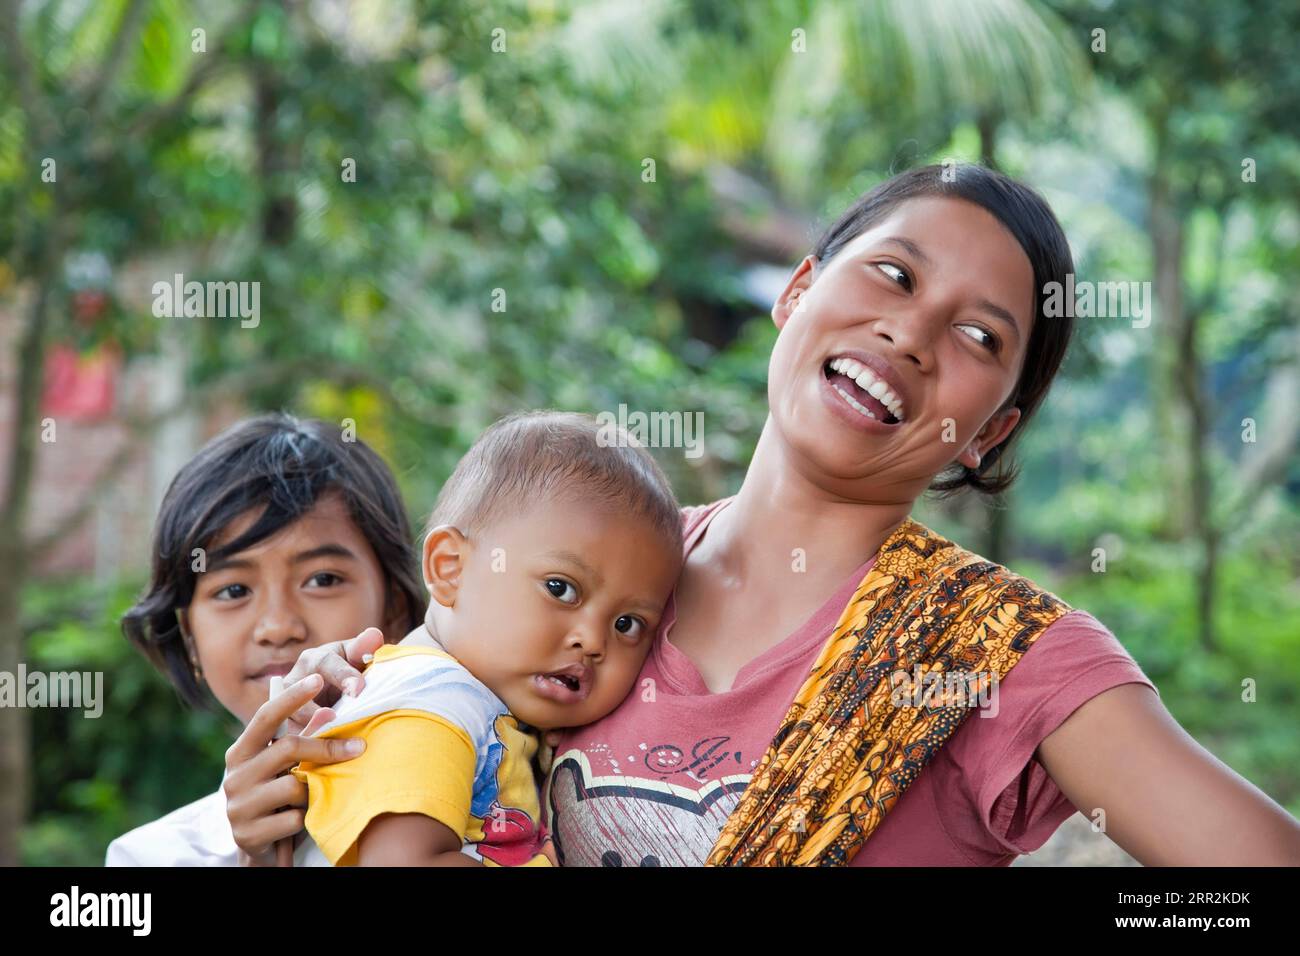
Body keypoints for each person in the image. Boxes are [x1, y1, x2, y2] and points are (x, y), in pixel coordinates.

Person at [228, 163, 1300, 866]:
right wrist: (285, 802)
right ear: (796, 292)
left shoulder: (1003, 654)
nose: (910, 333)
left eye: (977, 336)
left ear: (987, 433)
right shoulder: (597, 578)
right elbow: (440, 762)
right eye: (889, 273)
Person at [289, 411, 683, 865]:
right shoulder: (428, 705)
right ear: (450, 568)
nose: (593, 640)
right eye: (561, 588)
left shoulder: (476, 706)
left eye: (627, 624)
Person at [105, 413, 425, 866]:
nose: (277, 626)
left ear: (393, 608)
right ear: (190, 639)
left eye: (322, 579)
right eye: (233, 590)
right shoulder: (149, 858)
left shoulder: (494, 801)